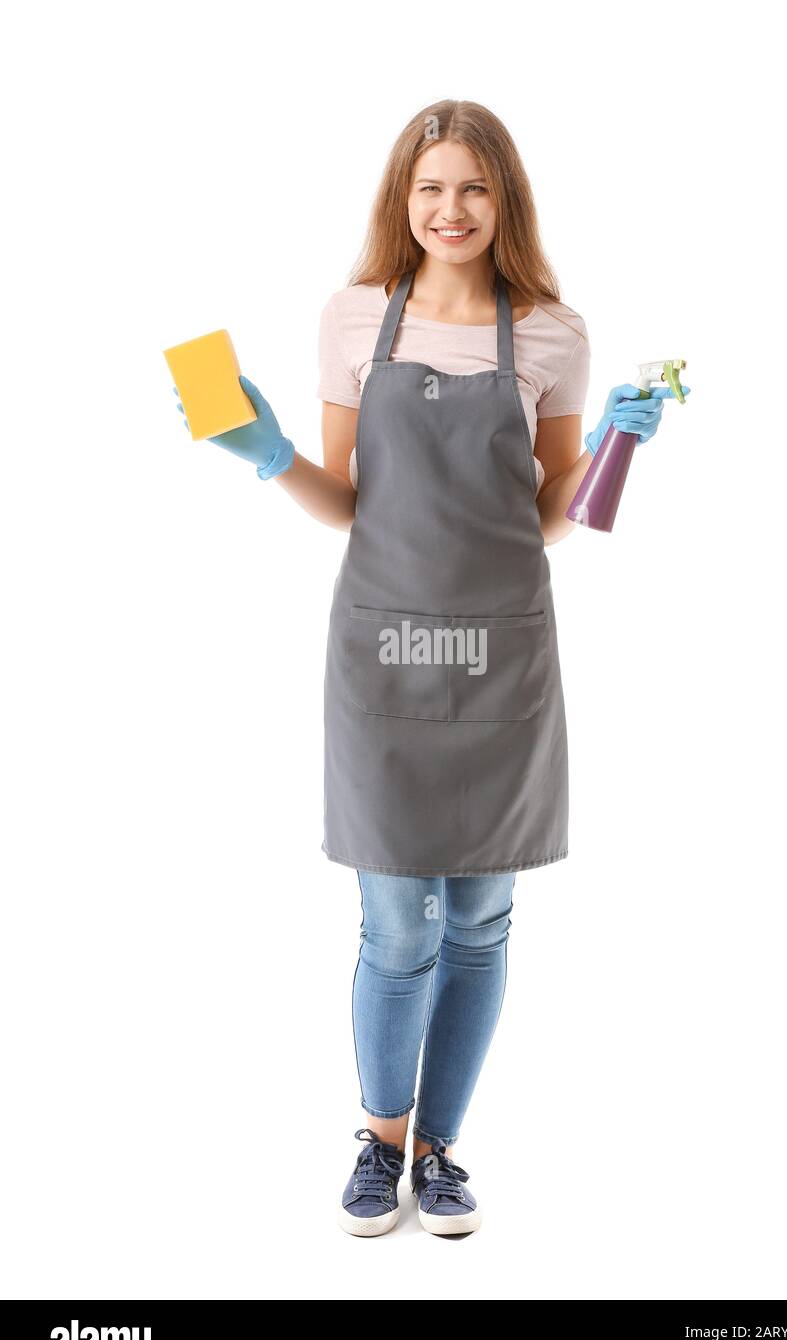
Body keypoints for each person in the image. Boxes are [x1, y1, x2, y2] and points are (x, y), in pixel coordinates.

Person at [173, 99, 684, 1240]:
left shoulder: (550, 331)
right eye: (428, 188)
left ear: (503, 201)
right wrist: (267, 458)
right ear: (401, 201)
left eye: (472, 188)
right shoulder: (354, 318)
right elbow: (344, 501)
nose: (449, 210)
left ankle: (442, 1148)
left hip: (500, 647)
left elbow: (551, 518)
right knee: (394, 921)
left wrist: (610, 446)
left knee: (481, 914)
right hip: (382, 647)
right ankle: (379, 1139)